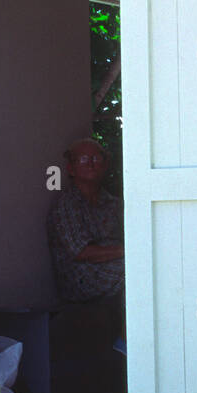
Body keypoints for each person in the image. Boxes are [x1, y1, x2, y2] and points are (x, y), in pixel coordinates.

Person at [47, 137, 125, 355]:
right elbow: (82, 252)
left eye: (96, 158)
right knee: (134, 271)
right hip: (81, 278)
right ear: (71, 169)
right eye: (83, 159)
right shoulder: (66, 205)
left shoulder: (114, 204)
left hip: (112, 266)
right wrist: (129, 251)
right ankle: (126, 341)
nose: (91, 163)